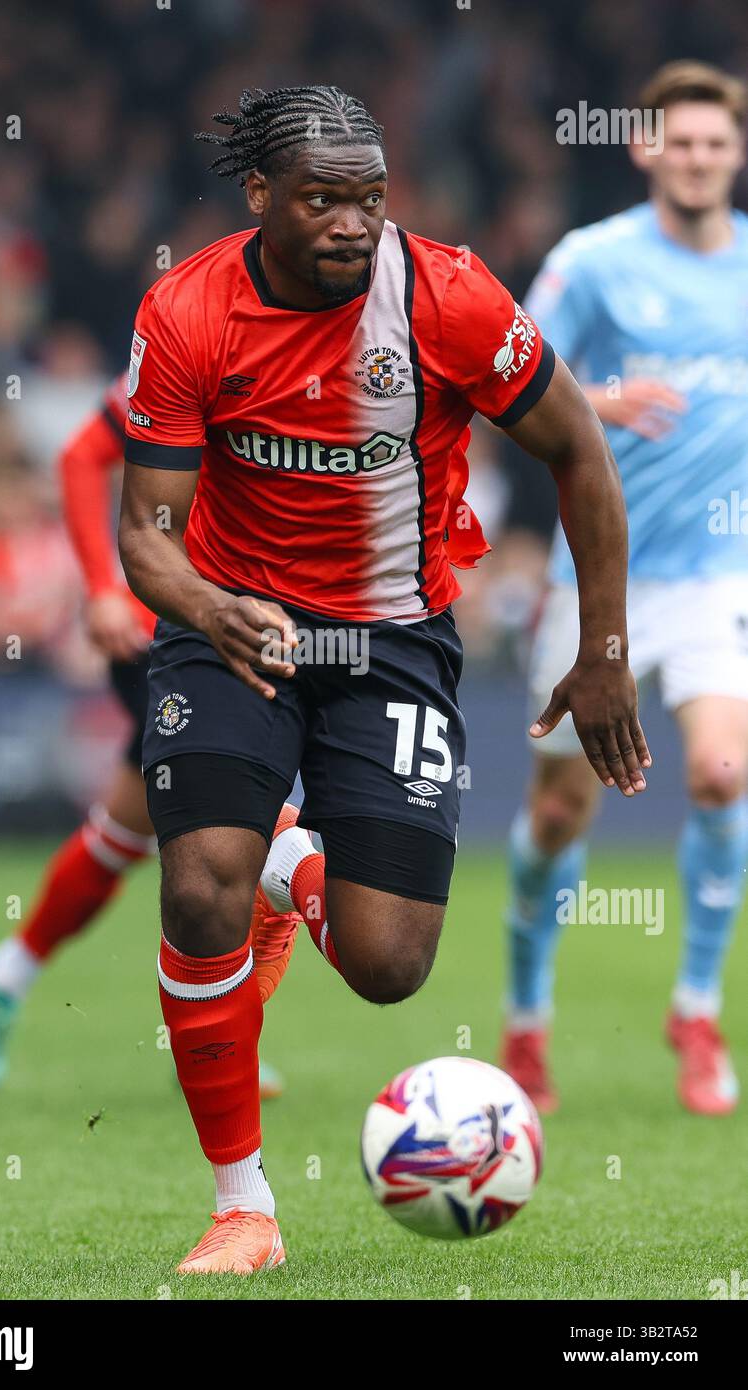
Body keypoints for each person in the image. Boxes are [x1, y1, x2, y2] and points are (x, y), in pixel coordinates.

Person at [118, 84, 648, 1276]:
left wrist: (601, 651)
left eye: (368, 197)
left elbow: (577, 449)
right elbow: (145, 535)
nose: (353, 221)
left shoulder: (448, 297)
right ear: (259, 194)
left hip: (391, 637)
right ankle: (241, 1205)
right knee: (197, 885)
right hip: (227, 618)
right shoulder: (189, 309)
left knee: (387, 966)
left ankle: (290, 858)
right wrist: (212, 612)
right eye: (322, 198)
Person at [500, 61, 748, 1117]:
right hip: (595, 578)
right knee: (559, 814)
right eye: (676, 142)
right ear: (643, 148)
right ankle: (524, 1022)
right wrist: (596, 397)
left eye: (713, 143)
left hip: (717, 575)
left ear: (733, 154)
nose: (695, 158)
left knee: (721, 776)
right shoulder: (590, 262)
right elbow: (497, 374)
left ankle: (693, 1010)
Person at [0, 373, 298, 1098]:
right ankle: (227, 1035)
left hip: (260, 624)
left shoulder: (332, 348)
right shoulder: (190, 346)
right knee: (252, 830)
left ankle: (4, 975)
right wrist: (102, 587)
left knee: (124, 833)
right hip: (171, 639)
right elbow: (83, 455)